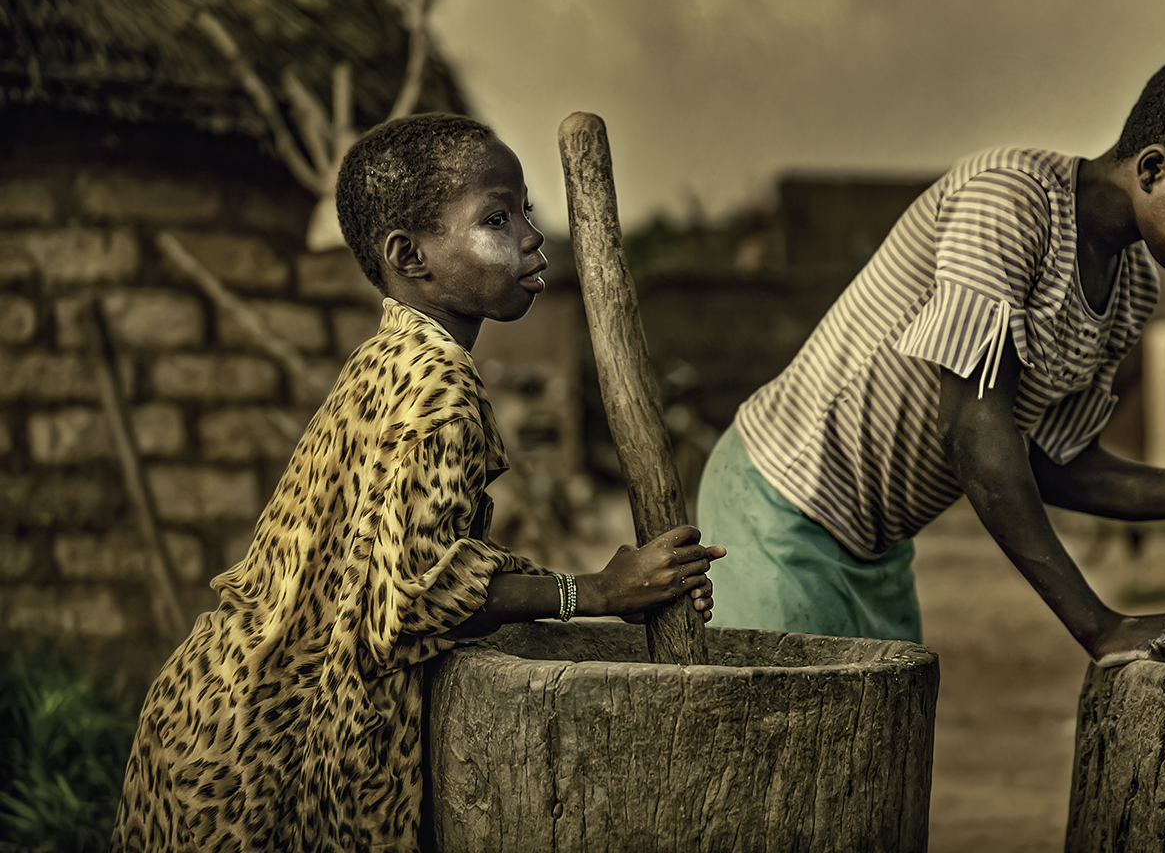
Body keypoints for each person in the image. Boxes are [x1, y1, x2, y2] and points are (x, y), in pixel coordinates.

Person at [111, 114, 724, 852]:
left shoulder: (387, 357)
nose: (531, 235)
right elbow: (413, 592)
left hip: (212, 715)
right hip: (257, 761)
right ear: (409, 255)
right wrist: (595, 592)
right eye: (497, 218)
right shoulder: (437, 385)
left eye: (524, 210)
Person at [697, 47, 1165, 668]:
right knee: (780, 748)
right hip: (778, 506)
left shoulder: (1131, 290)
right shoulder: (1010, 203)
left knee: (868, 761)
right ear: (1155, 168)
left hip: (875, 550)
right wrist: (1098, 626)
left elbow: (1053, 465)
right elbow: (975, 433)